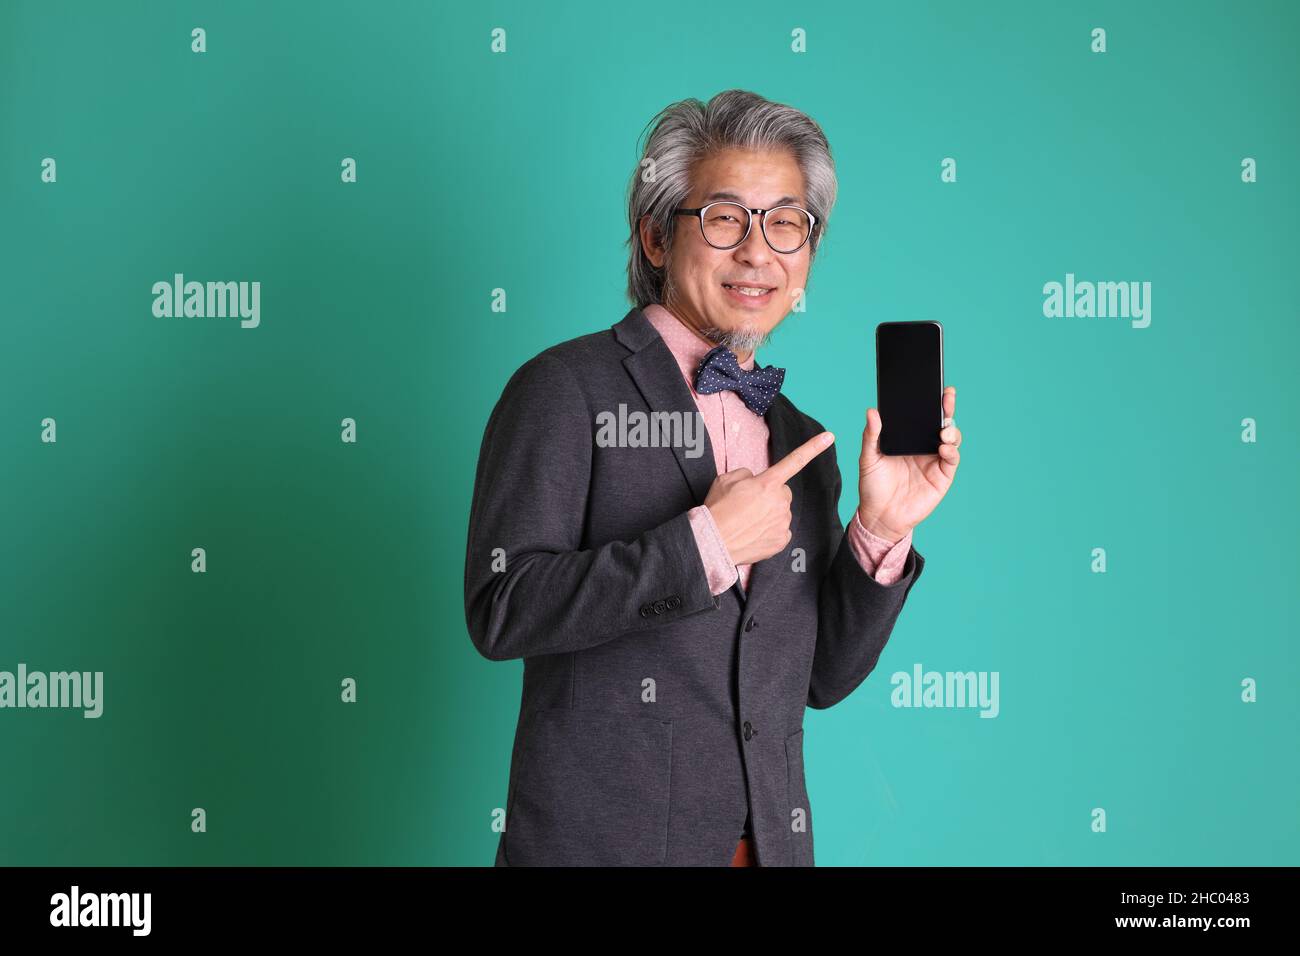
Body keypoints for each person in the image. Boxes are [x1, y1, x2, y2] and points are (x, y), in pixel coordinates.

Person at [464, 89, 963, 866]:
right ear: (656, 237)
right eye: (726, 218)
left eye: (786, 223)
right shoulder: (563, 388)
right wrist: (703, 545)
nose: (758, 253)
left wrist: (881, 533)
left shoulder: (804, 440)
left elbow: (817, 678)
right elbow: (501, 608)